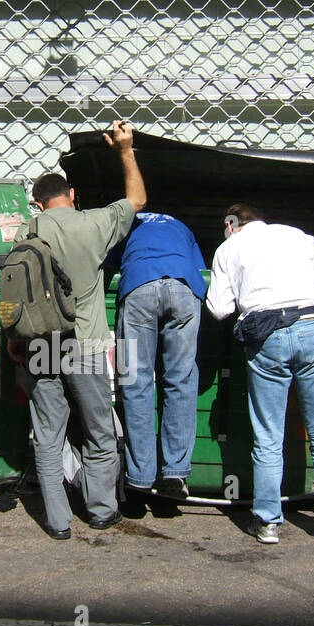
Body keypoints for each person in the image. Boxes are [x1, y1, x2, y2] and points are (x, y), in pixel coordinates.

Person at [15, 120, 146, 539]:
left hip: (39, 346)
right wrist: (125, 150)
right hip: (84, 347)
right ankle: (101, 509)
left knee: (48, 436)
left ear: (37, 204)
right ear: (72, 195)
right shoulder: (94, 223)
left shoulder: (25, 231)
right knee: (98, 429)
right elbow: (137, 199)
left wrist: (15, 345)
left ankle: (57, 521)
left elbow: (14, 295)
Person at [205, 203, 314, 544]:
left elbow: (219, 308)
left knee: (268, 434)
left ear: (231, 224)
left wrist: (245, 296)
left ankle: (267, 522)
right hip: (311, 325)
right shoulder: (294, 235)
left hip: (265, 334)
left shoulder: (229, 248)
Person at [107, 212, 206, 500]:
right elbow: (200, 269)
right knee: (180, 380)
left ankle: (139, 475)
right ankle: (175, 471)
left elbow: (108, 265)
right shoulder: (182, 226)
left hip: (139, 287)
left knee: (135, 381)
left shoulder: (126, 223)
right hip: (183, 287)